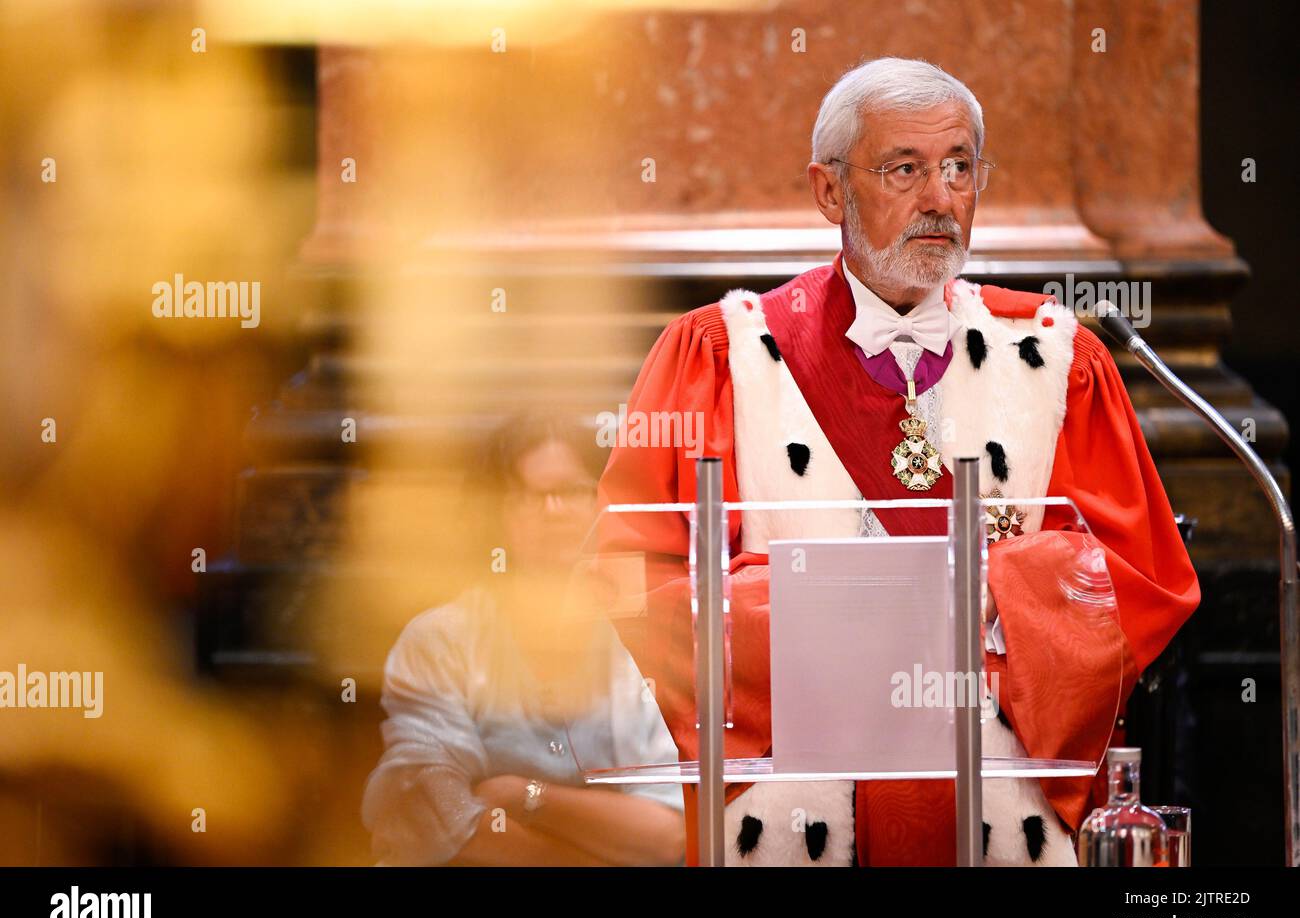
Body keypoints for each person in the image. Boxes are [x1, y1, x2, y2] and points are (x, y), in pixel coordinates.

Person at [595, 57, 1199, 866]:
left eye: (959, 168)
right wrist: (835, 611)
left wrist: (990, 601)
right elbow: (637, 574)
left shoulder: (1058, 361)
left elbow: (1143, 579)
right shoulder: (717, 356)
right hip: (793, 820)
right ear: (827, 190)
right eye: (903, 169)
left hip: (1002, 814)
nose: (940, 199)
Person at [362, 413, 686, 866]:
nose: (552, 511)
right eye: (528, 496)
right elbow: (439, 825)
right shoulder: (440, 641)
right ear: (491, 514)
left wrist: (524, 795)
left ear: (600, 502)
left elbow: (667, 833)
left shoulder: (634, 640)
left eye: (571, 491)